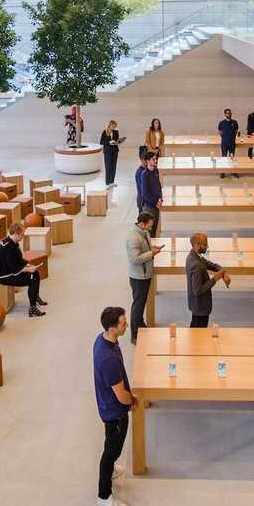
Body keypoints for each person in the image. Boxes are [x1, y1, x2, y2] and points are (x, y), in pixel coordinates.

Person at [93, 306, 134, 506]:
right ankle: (104, 496)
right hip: (114, 412)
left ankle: (110, 470)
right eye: (123, 324)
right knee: (111, 451)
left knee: (112, 447)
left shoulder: (103, 340)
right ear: (112, 328)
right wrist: (132, 401)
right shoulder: (108, 359)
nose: (127, 325)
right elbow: (120, 395)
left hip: (108, 406)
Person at [0, 221, 47, 317]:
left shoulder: (14, 243)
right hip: (3, 276)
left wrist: (28, 264)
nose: (23, 236)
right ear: (16, 234)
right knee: (31, 278)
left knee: (35, 273)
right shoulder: (7, 247)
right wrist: (27, 269)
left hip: (10, 271)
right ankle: (32, 308)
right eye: (22, 234)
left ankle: (35, 296)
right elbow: (13, 269)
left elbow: (19, 259)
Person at [125, 210, 162, 344]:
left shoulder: (144, 232)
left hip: (145, 274)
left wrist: (152, 248)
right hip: (138, 277)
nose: (151, 228)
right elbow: (134, 259)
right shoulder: (133, 238)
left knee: (141, 304)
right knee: (138, 306)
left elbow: (145, 248)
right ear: (141, 224)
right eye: (149, 225)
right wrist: (151, 253)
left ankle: (141, 326)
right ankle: (135, 335)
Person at [184, 232, 229, 328]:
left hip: (197, 305)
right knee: (198, 331)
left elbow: (210, 264)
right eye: (205, 244)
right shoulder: (196, 265)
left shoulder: (194, 256)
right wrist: (215, 279)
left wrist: (222, 271)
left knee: (196, 329)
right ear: (197, 245)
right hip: (200, 306)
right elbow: (197, 290)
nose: (207, 246)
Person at [137, 153, 163, 235]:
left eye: (156, 159)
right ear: (148, 161)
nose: (155, 161)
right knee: (148, 232)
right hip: (149, 207)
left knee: (154, 229)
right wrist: (156, 202)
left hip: (156, 206)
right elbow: (145, 194)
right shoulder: (144, 174)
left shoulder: (156, 170)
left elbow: (158, 186)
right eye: (153, 159)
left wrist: (160, 199)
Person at [99, 120, 123, 187]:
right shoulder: (105, 132)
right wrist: (109, 142)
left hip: (115, 151)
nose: (114, 127)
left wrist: (118, 142)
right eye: (113, 125)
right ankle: (107, 183)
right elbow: (101, 142)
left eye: (115, 126)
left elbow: (117, 140)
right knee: (108, 166)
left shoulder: (116, 132)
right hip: (108, 151)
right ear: (110, 125)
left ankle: (112, 182)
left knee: (113, 167)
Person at [217, 109, 239, 176]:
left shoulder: (234, 122)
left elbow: (236, 131)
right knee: (224, 157)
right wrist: (225, 137)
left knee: (232, 158)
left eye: (230, 113)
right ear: (225, 114)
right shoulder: (221, 123)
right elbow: (220, 132)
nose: (229, 114)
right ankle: (222, 172)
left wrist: (231, 137)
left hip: (232, 143)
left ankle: (232, 171)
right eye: (227, 113)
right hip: (224, 143)